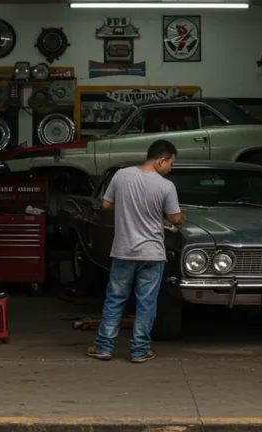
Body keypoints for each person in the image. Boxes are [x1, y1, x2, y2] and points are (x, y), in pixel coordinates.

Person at [86, 139, 185, 363]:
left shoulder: (121, 175)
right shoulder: (165, 186)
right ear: (161, 160)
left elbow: (106, 205)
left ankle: (104, 348)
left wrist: (129, 208)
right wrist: (179, 219)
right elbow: (175, 219)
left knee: (114, 300)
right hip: (151, 254)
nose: (170, 168)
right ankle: (139, 351)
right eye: (170, 163)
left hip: (123, 251)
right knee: (146, 303)